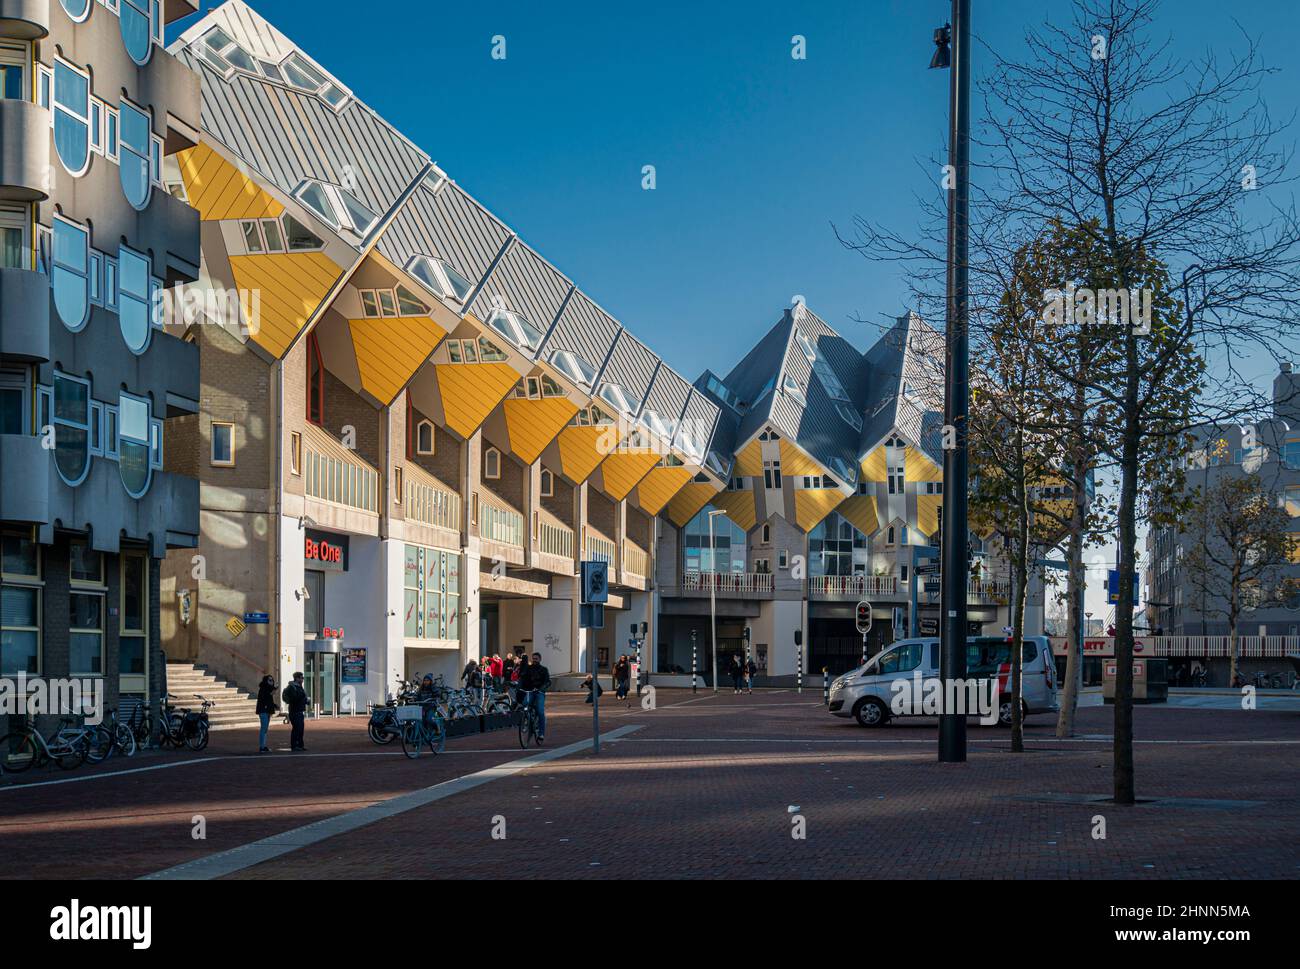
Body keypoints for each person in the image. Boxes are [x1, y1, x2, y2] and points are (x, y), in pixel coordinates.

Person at [518, 651, 551, 741]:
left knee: (540, 711)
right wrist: (519, 686)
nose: (534, 660)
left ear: (540, 659)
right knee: (525, 703)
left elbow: (548, 682)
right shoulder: (528, 668)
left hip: (539, 692)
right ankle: (526, 719)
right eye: (533, 659)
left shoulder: (544, 669)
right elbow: (522, 677)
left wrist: (542, 689)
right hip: (530, 691)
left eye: (536, 659)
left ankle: (541, 733)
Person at [282, 672, 309, 751]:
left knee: (301, 729)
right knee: (296, 729)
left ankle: (300, 745)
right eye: (301, 678)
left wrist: (306, 701)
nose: (302, 679)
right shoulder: (292, 687)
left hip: (300, 710)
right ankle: (294, 745)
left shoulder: (299, 687)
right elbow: (294, 699)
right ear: (297, 678)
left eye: (302, 678)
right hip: (295, 711)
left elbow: (300, 698)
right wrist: (302, 696)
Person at [255, 675, 277, 753]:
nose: (271, 682)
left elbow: (269, 700)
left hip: (267, 710)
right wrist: (274, 690)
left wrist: (274, 705)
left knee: (265, 729)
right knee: (263, 728)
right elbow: (266, 698)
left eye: (272, 680)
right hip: (263, 710)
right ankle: (262, 747)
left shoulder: (268, 689)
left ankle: (263, 746)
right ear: (266, 681)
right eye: (269, 680)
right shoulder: (264, 688)